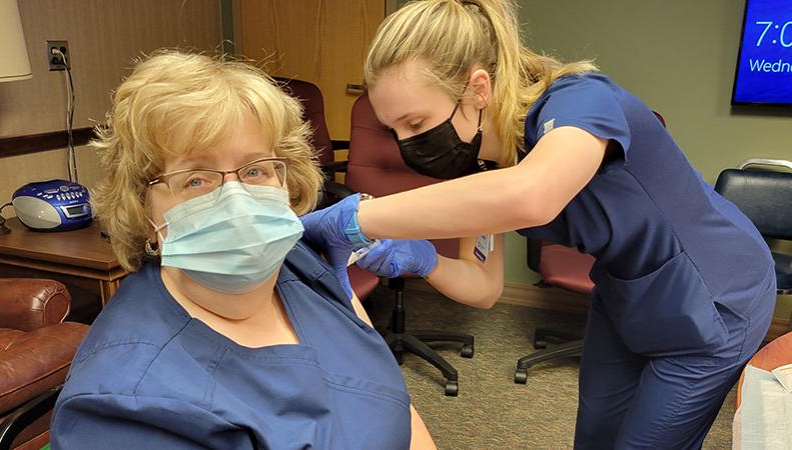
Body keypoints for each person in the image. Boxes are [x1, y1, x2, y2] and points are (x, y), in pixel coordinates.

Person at [301, 0, 777, 448]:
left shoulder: (581, 102)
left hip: (716, 291)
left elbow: (534, 196)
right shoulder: (480, 166)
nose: (407, 144)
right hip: (628, 287)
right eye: (394, 130)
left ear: (478, 88)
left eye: (416, 121)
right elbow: (484, 287)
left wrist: (358, 216)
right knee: (594, 436)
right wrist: (422, 259)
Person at [49, 50, 436, 450]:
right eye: (196, 179)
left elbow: (392, 400)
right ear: (144, 209)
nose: (237, 202)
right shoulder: (125, 407)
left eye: (255, 170)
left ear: (286, 180)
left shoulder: (300, 263)